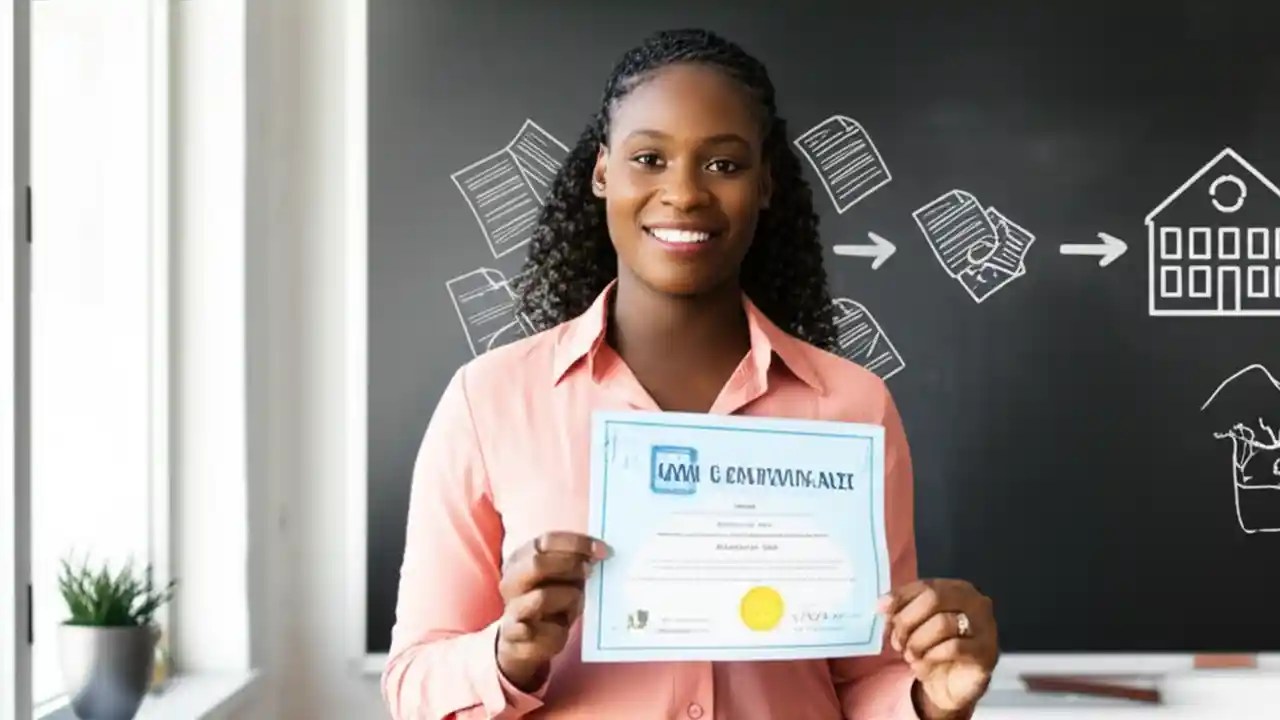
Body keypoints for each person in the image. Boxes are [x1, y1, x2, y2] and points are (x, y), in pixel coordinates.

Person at [382, 27, 999, 720]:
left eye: (724, 165)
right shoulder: (490, 399)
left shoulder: (852, 406)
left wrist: (930, 698)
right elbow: (413, 681)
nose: (683, 193)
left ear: (765, 184)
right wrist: (507, 654)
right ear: (602, 172)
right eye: (649, 158)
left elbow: (866, 676)